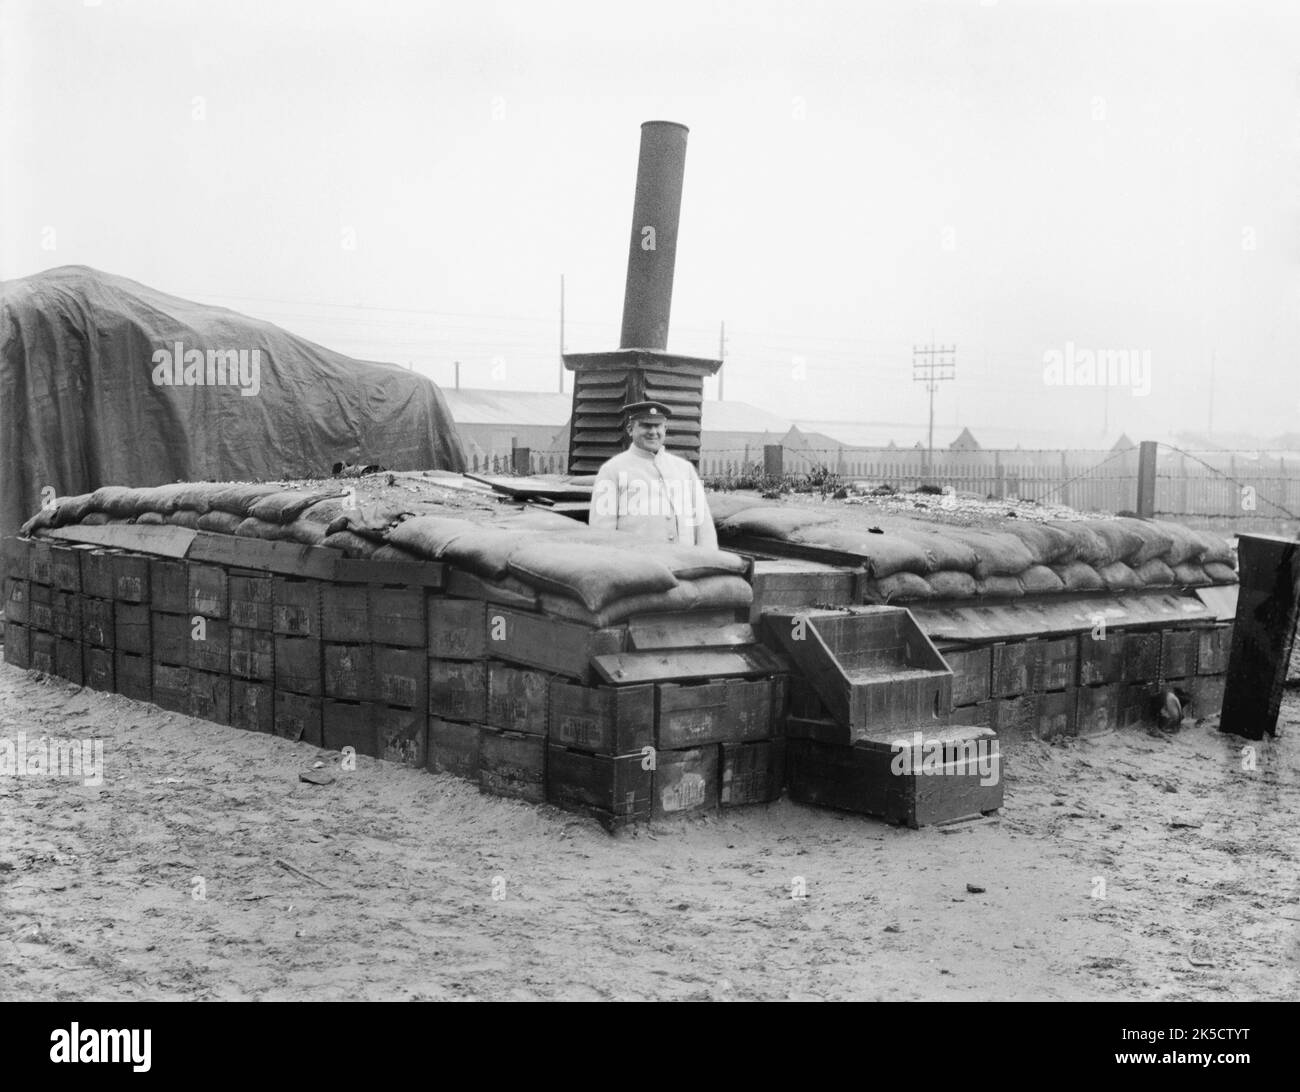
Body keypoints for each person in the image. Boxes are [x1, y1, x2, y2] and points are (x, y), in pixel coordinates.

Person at [588, 400, 718, 549]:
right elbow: (602, 532)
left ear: (665, 429)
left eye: (658, 426)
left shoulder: (684, 469)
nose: (653, 432)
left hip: (684, 564)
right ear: (630, 429)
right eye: (645, 425)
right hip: (640, 567)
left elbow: (703, 526)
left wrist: (709, 561)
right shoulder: (612, 470)